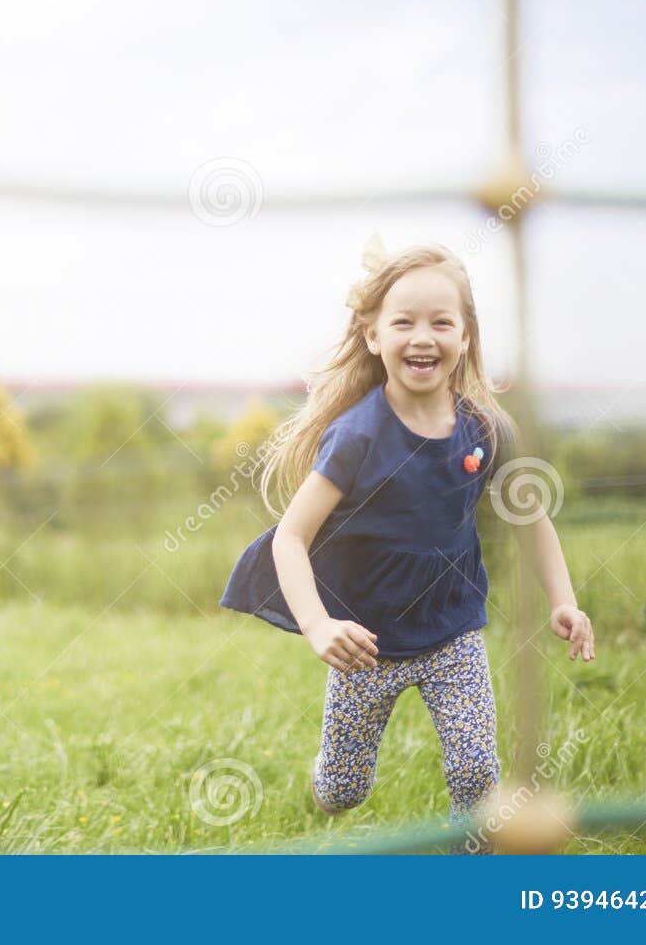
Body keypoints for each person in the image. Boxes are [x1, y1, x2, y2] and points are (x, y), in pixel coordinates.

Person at [221, 237, 593, 839]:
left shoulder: (484, 428)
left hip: (454, 633)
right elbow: (289, 538)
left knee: (477, 772)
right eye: (404, 322)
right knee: (344, 792)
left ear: (466, 336)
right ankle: (326, 777)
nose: (423, 337)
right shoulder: (357, 435)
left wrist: (564, 600)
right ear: (373, 335)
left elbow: (530, 516)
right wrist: (319, 626)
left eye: (441, 322)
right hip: (367, 643)